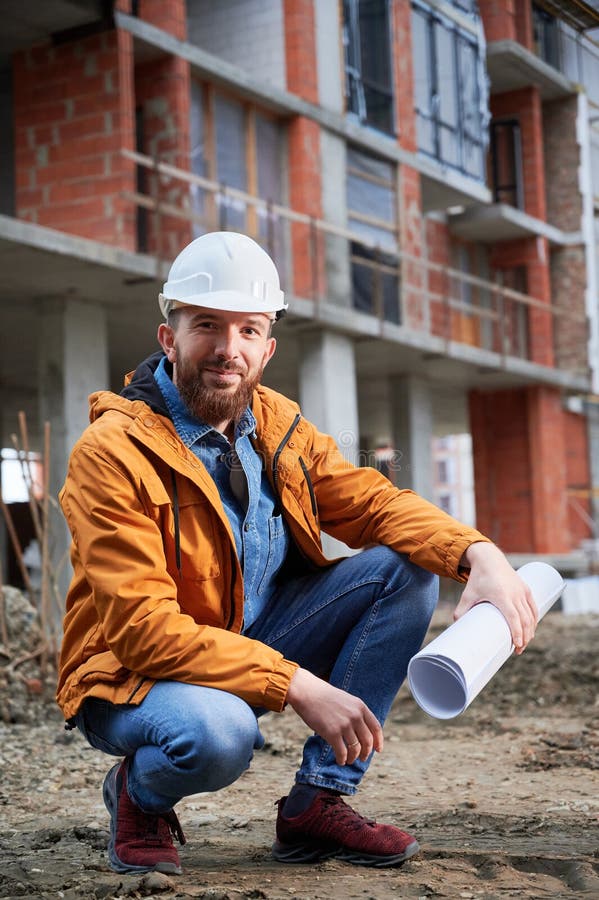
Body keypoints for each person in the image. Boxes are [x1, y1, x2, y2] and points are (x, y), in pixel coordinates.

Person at [56, 231, 537, 876]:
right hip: (137, 677)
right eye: (207, 326)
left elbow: (371, 502)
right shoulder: (111, 453)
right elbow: (143, 632)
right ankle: (139, 797)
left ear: (268, 347)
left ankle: (317, 802)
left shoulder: (279, 428)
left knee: (403, 569)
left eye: (248, 331)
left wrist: (479, 553)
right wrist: (297, 684)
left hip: (252, 639)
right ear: (169, 337)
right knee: (219, 736)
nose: (229, 350)